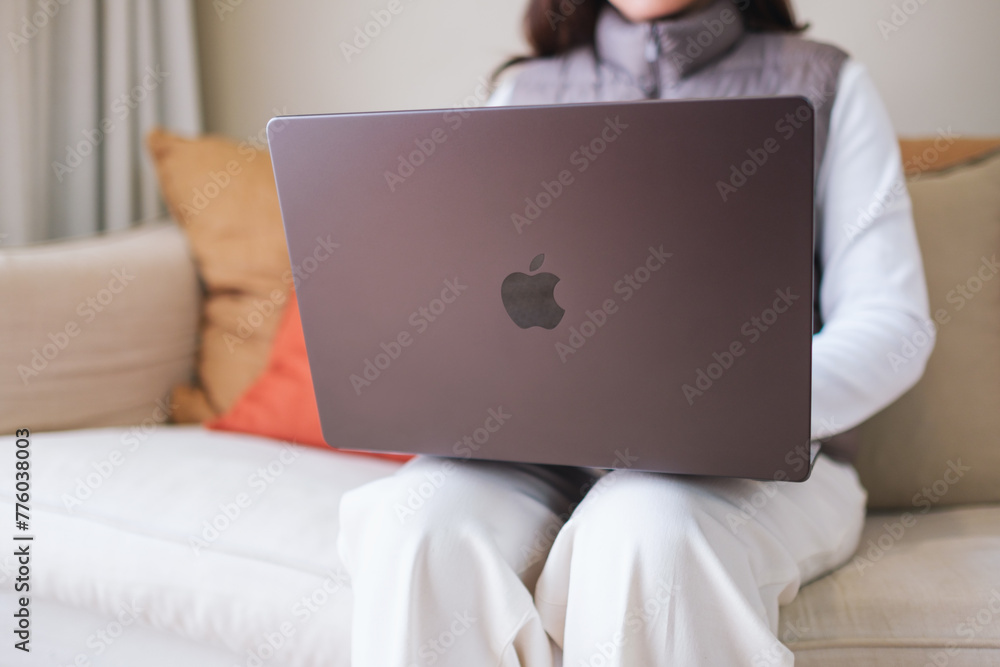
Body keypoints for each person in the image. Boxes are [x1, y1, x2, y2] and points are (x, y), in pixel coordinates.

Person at [337, 0, 934, 664]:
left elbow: (894, 325)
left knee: (647, 530)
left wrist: (733, 409)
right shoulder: (523, 92)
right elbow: (484, 300)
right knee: (414, 527)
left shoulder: (826, 81)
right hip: (543, 452)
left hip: (755, 465)